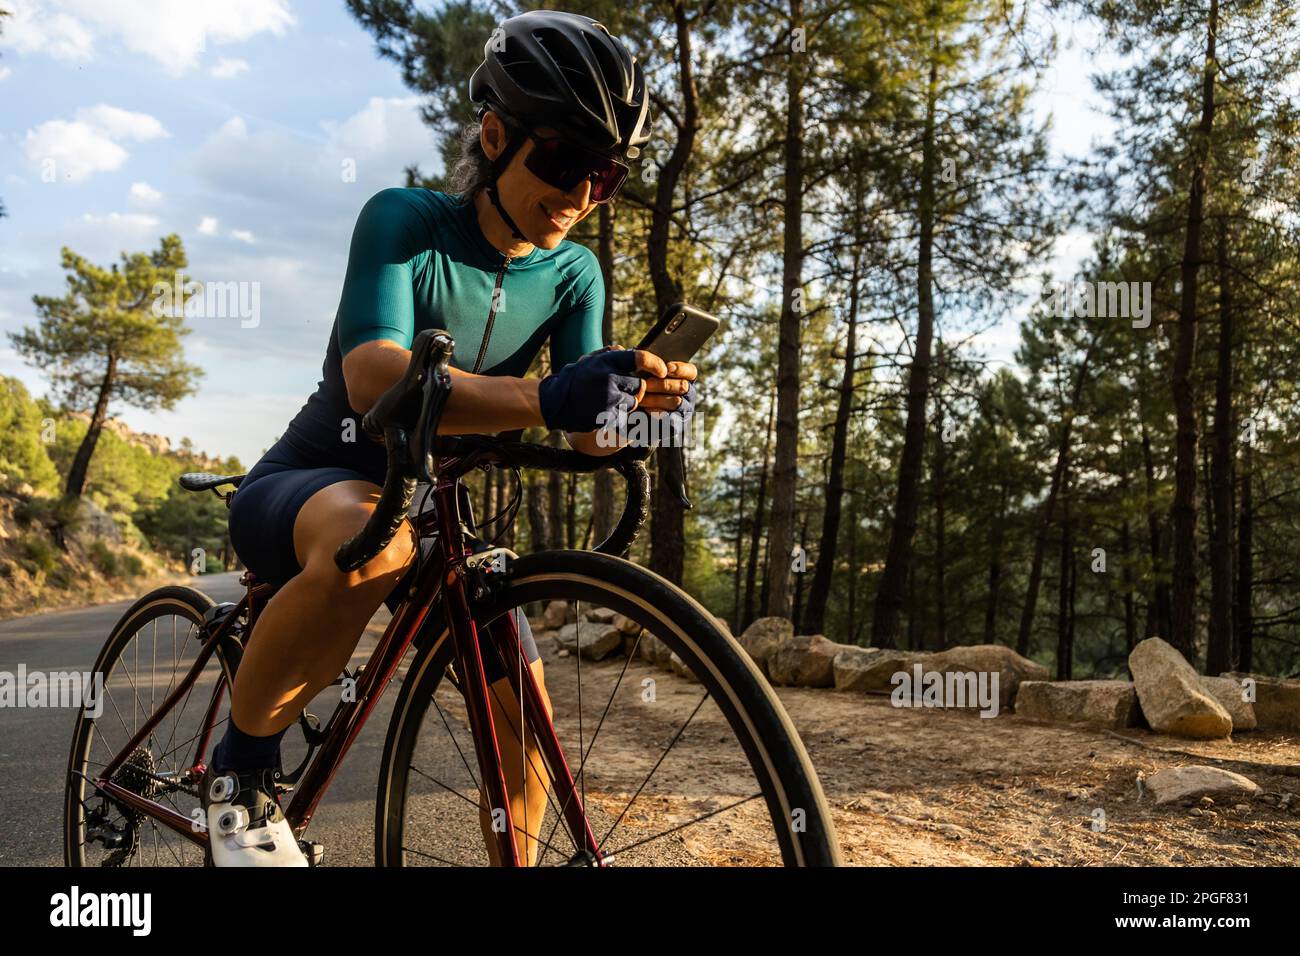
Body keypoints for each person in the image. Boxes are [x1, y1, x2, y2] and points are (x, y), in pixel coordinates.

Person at [203, 10, 698, 866]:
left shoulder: (576, 271)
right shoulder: (404, 220)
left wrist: (628, 413)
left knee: (525, 726)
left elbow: (581, 430)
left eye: (607, 175)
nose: (583, 195)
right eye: (564, 161)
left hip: (427, 513)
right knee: (379, 547)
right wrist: (551, 394)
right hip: (316, 478)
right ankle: (239, 777)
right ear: (496, 136)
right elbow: (375, 379)